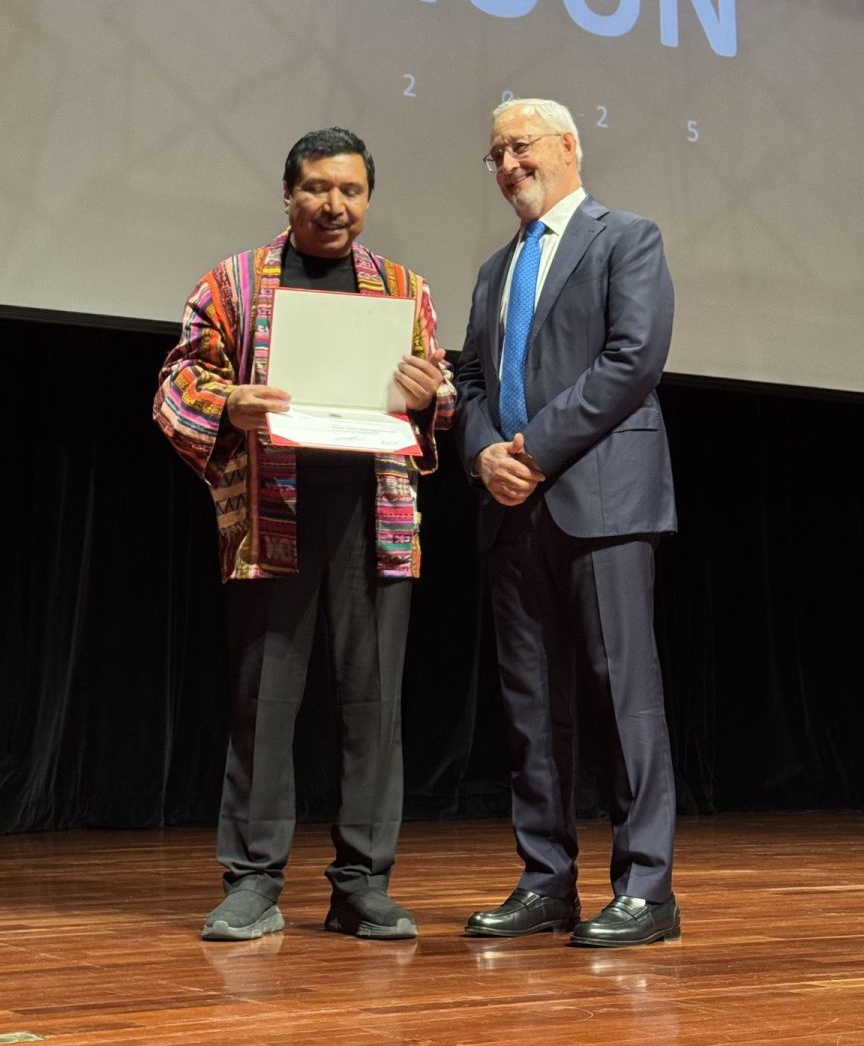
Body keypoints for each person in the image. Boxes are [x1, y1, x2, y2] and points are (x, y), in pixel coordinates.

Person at [154, 127, 454, 943]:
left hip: (373, 510)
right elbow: (180, 377)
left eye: (351, 191)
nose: (335, 205)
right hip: (272, 507)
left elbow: (437, 399)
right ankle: (252, 880)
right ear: (288, 194)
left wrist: (431, 394)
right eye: (318, 188)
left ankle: (363, 883)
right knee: (264, 698)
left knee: (374, 702)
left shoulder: (401, 287)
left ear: (367, 200)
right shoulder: (235, 281)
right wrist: (229, 403)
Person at [454, 98, 679, 948]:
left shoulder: (629, 237)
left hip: (603, 496)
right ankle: (546, 881)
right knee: (530, 705)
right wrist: (483, 457)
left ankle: (647, 891)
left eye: (521, 146)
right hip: (511, 507)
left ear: (568, 146)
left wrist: (532, 452)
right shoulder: (492, 271)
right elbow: (470, 378)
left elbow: (633, 359)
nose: (510, 164)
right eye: (496, 154)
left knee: (624, 694)